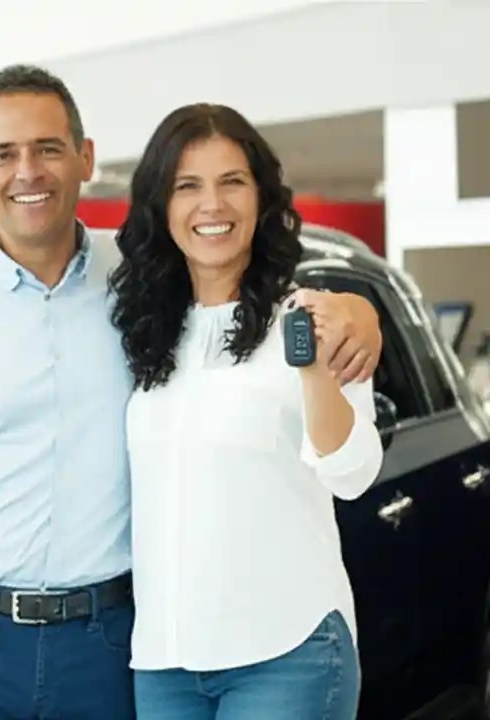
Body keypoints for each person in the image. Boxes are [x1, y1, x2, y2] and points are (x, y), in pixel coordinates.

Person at [0, 64, 383, 720]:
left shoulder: (138, 284)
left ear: (85, 158)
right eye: (3, 154)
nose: (27, 172)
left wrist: (356, 309)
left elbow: (252, 299)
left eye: (47, 148)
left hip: (109, 642)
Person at [107, 102, 384, 719]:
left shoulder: (312, 318)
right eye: (188, 187)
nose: (212, 205)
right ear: (162, 206)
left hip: (286, 653)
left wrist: (312, 364)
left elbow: (353, 473)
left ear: (261, 199)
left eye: (232, 182)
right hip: (164, 663)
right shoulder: (144, 332)